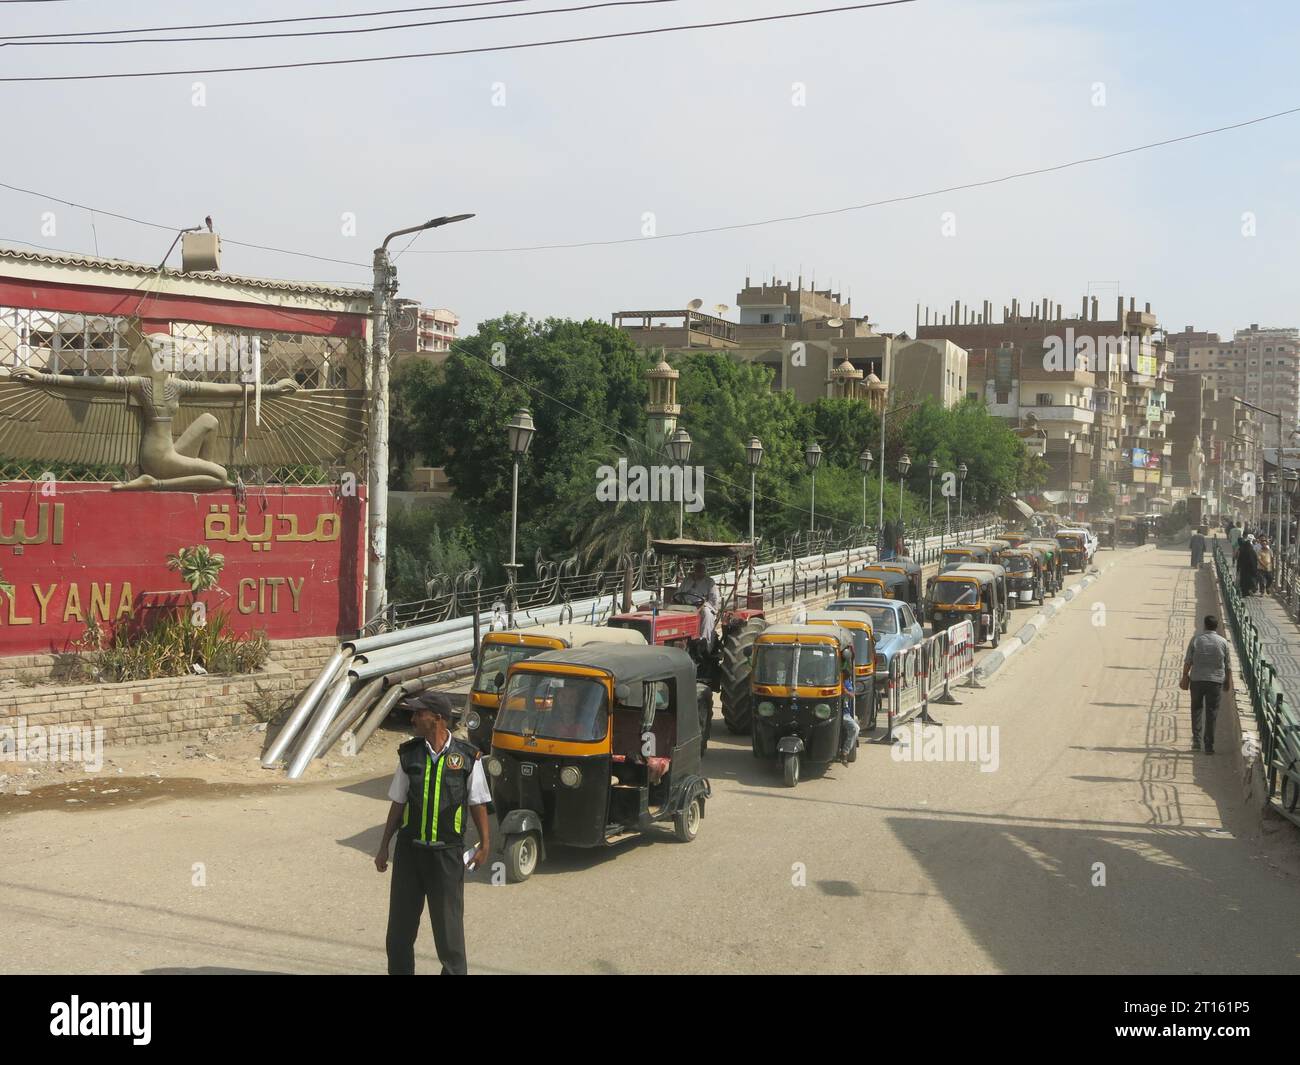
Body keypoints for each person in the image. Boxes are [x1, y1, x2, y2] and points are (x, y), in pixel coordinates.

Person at [376, 691, 491, 975]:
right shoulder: (409, 754)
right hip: (409, 854)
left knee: (450, 937)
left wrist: (485, 844)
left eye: (419, 713)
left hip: (446, 857)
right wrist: (384, 845)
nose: (413, 718)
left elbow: (477, 802)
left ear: (437, 718)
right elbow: (398, 802)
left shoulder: (467, 758)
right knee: (399, 934)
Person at [1180, 615, 1232, 754]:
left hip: (1197, 680)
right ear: (1216, 626)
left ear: (1204, 625)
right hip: (1215, 682)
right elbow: (1227, 665)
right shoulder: (1223, 642)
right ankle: (1209, 746)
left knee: (1196, 710)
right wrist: (1227, 682)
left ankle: (1196, 742)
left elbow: (1188, 661)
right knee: (1211, 713)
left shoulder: (1196, 639)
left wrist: (1185, 676)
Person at [677, 561, 720, 650]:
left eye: (701, 567)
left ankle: (705, 643)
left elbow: (713, 601)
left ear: (705, 569)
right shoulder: (687, 580)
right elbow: (678, 593)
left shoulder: (710, 582)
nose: (698, 570)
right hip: (685, 606)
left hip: (701, 607)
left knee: (707, 614)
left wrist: (703, 606)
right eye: (697, 567)